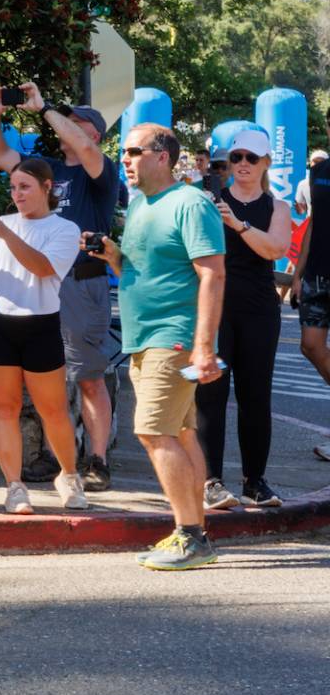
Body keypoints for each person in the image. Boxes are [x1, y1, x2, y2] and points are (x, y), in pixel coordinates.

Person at [85, 122, 225, 570]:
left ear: (162, 156)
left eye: (133, 151)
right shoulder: (141, 204)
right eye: (123, 152)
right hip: (143, 338)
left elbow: (213, 274)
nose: (124, 160)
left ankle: (191, 536)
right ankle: (196, 534)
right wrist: (113, 257)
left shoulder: (191, 203)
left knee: (151, 430)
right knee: (181, 432)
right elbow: (141, 273)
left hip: (174, 336)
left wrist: (204, 346)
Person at [0, 84, 128, 489]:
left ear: (94, 133)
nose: (65, 125)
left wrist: (45, 107)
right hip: (42, 285)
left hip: (81, 286)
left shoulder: (99, 170)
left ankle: (97, 461)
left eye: (76, 122)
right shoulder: (46, 168)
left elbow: (82, 147)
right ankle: (56, 455)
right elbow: (0, 155)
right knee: (47, 377)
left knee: (88, 376)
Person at [0, 160, 89, 513]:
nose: (17, 194)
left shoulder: (64, 228)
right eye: (13, 187)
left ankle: (69, 475)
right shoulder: (2, 225)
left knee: (53, 410)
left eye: (25, 187)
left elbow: (42, 267)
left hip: (40, 325)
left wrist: (4, 233)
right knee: (5, 408)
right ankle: (14, 486)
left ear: (47, 187)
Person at [196, 127, 289, 510]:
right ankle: (210, 481)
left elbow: (276, 249)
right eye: (236, 158)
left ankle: (255, 482)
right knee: (210, 394)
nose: (243, 164)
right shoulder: (208, 202)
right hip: (215, 308)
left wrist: (238, 224)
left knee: (255, 396)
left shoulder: (277, 207)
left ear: (266, 162)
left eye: (252, 158)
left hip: (259, 310)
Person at [290, 118, 330, 462]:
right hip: (316, 273)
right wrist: (297, 273)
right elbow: (313, 223)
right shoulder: (318, 172)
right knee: (310, 345)